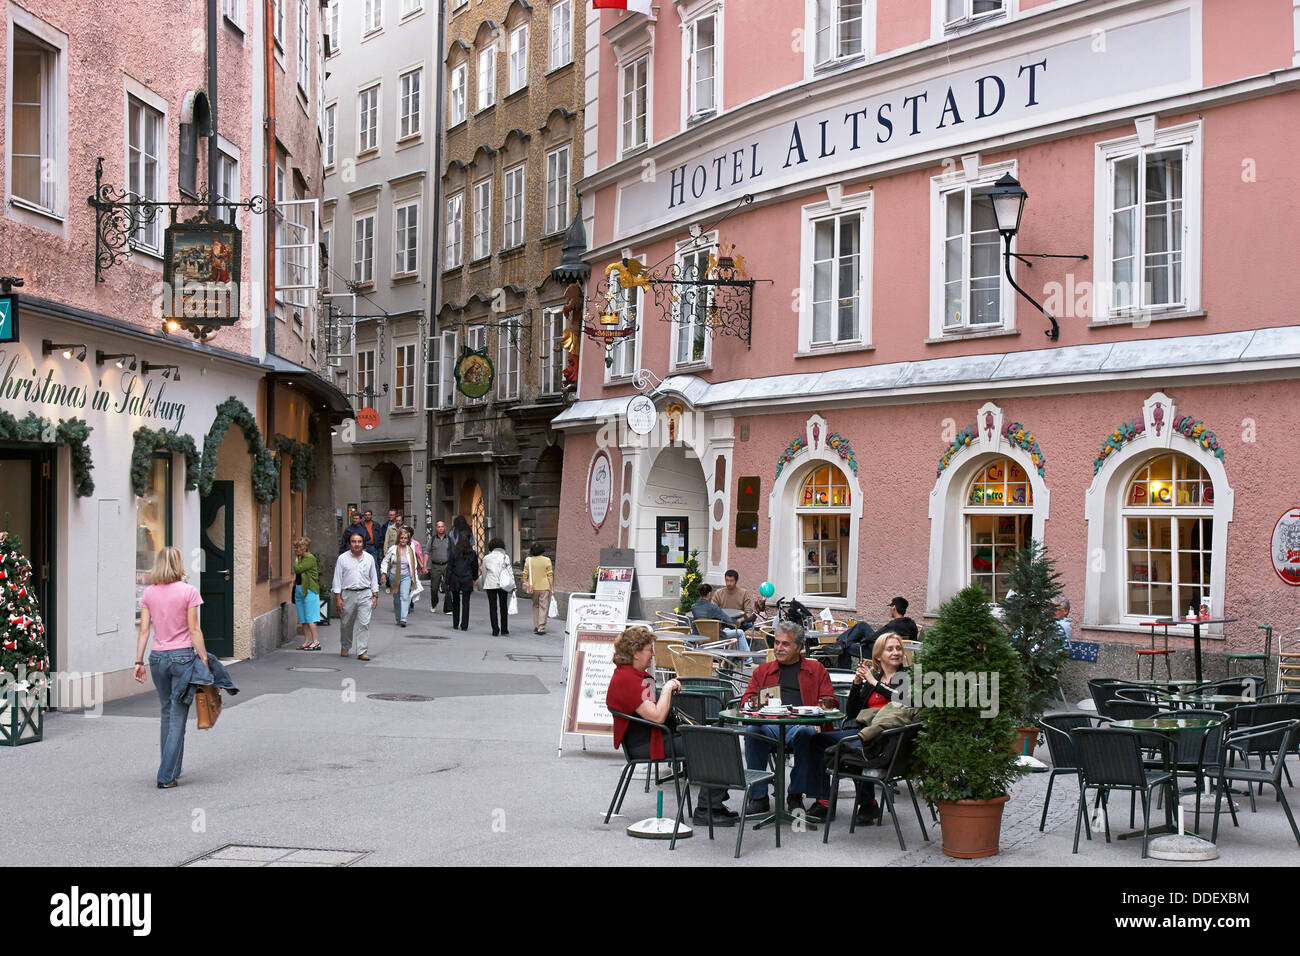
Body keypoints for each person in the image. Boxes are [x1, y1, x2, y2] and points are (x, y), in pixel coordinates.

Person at [605, 625, 737, 828]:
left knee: (715, 738)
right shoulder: (628, 680)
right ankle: (708, 809)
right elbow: (657, 716)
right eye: (650, 649)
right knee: (715, 744)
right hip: (648, 743)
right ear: (635, 652)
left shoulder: (629, 675)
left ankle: (713, 805)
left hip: (654, 737)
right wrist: (667, 688)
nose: (653, 654)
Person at [133, 547, 235, 789]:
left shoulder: (149, 593)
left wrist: (138, 662)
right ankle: (166, 775)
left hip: (157, 658)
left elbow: (145, 630)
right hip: (181, 658)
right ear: (179, 564)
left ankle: (171, 768)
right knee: (178, 714)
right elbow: (194, 630)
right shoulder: (188, 591)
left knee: (167, 712)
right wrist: (205, 659)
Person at [806, 633, 911, 823]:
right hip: (863, 731)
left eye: (898, 648)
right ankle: (823, 799)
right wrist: (856, 684)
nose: (896, 652)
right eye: (890, 649)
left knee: (849, 749)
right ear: (878, 655)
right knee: (817, 740)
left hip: (885, 736)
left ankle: (867, 803)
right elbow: (853, 711)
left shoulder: (904, 677)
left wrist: (872, 682)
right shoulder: (876, 678)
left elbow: (902, 698)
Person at [739, 621, 836, 815]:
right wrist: (754, 703)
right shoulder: (763, 671)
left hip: (801, 724)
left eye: (785, 644)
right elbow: (745, 701)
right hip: (771, 724)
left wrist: (818, 717)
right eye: (776, 643)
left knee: (807, 732)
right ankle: (758, 796)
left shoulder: (816, 670)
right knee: (753, 731)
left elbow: (831, 701)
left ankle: (795, 794)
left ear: (799, 647)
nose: (778, 648)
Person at [833, 595, 918, 669]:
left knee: (848, 645)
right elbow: (914, 642)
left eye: (890, 607)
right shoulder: (912, 624)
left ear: (894, 607)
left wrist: (862, 641)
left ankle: (841, 647)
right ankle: (841, 643)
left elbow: (874, 637)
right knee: (861, 628)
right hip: (901, 654)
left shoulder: (893, 625)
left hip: (881, 654)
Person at [332, 531, 380, 660]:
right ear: (350, 543)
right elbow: (337, 579)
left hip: (365, 593)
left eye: (359, 542)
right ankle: (345, 646)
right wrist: (338, 598)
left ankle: (362, 651)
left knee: (364, 623)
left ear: (363, 543)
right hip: (348, 594)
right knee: (346, 623)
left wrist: (375, 596)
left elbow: (374, 578)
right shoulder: (342, 558)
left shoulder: (369, 558)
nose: (356, 544)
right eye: (354, 542)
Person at [381, 528, 424, 627]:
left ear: (408, 540)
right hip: (394, 576)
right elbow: (385, 561)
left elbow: (414, 565)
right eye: (401, 538)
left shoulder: (410, 550)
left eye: (405, 538)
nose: (403, 540)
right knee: (396, 599)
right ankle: (398, 617)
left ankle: (403, 618)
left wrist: (415, 579)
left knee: (404, 596)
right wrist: (383, 573)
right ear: (398, 539)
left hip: (406, 577)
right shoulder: (393, 549)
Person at [690, 583, 749, 651]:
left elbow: (699, 619)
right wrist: (738, 621)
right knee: (740, 632)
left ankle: (731, 658)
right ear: (709, 594)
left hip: (701, 636)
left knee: (727, 630)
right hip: (716, 637)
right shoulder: (713, 607)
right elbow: (728, 620)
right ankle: (747, 660)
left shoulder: (694, 607)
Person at [445, 529, 480, 631]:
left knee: (456, 601)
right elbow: (475, 567)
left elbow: (449, 567)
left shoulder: (454, 552)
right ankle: (464, 625)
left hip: (455, 578)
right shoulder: (472, 553)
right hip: (466, 578)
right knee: (466, 602)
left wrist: (447, 581)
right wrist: (474, 578)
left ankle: (455, 623)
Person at [481, 537, 514, 636]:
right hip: (503, 583)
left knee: (493, 607)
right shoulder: (505, 557)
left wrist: (483, 583)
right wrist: (513, 585)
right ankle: (504, 629)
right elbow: (510, 571)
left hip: (490, 583)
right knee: (503, 606)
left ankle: (495, 630)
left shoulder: (486, 558)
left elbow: (484, 572)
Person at [292, 537, 321, 650]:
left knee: (311, 617)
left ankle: (316, 641)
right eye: (295, 548)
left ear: (303, 548)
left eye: (297, 548)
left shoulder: (309, 558)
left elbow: (298, 570)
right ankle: (307, 641)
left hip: (309, 590)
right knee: (303, 618)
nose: (295, 550)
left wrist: (296, 562)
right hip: (300, 589)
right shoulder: (302, 557)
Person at [523, 542, 554, 635]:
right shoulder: (547, 560)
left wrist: (526, 583)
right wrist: (552, 588)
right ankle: (541, 627)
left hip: (533, 587)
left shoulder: (528, 560)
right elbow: (550, 575)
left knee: (535, 606)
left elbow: (525, 573)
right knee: (543, 607)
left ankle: (536, 626)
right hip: (544, 587)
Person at [427, 520, 451, 616]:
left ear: (445, 527)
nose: (441, 528)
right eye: (439, 527)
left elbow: (453, 553)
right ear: (436, 528)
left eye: (442, 526)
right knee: (434, 588)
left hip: (447, 565)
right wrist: (425, 566)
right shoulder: (432, 539)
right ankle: (434, 603)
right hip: (435, 566)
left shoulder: (449, 539)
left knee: (448, 587)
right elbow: (427, 552)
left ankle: (448, 607)